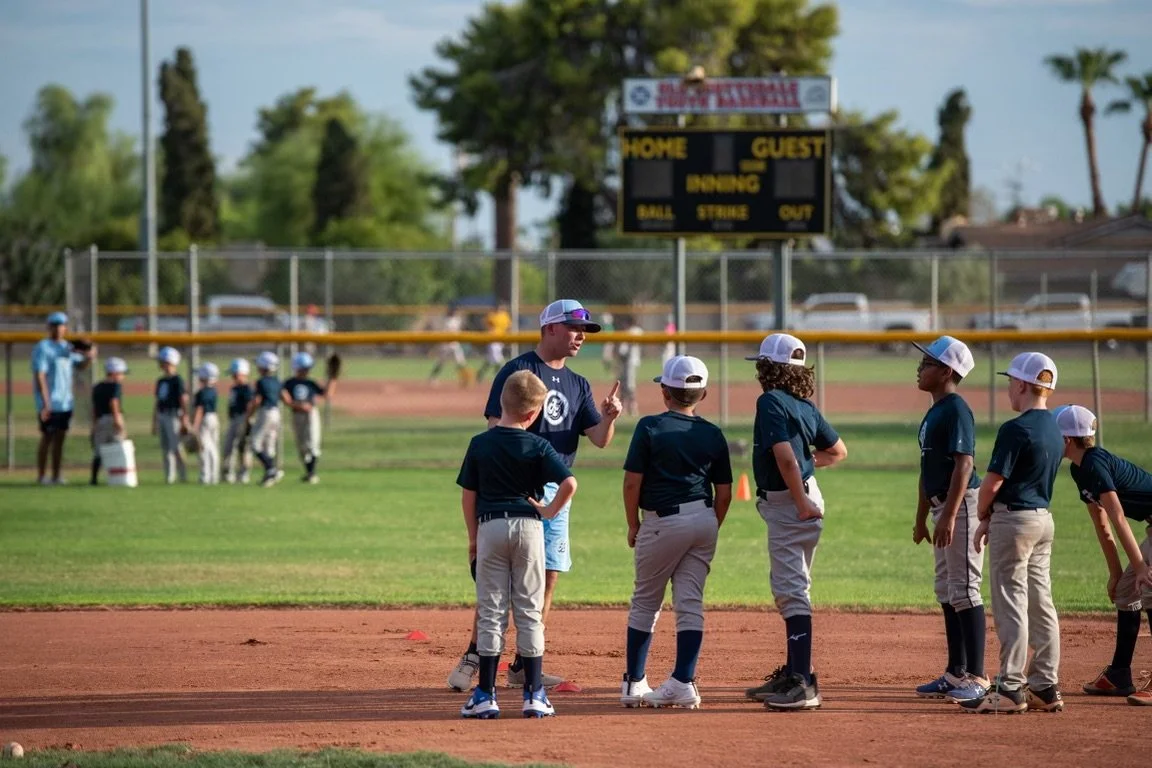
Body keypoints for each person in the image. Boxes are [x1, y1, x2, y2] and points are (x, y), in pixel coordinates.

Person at [447, 299, 622, 692]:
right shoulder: (518, 370)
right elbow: (497, 427)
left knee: (547, 578)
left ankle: (525, 665)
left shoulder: (578, 383)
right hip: (516, 487)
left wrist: (609, 417)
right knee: (500, 579)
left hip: (556, 490)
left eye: (585, 331)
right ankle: (474, 656)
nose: (580, 336)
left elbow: (597, 439)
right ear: (549, 329)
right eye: (574, 328)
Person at [457, 370, 578, 719]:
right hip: (529, 528)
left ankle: (485, 695)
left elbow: (469, 495)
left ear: (503, 404)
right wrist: (548, 511)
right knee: (529, 611)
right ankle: (535, 694)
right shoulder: (538, 445)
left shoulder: (480, 442)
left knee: (492, 612)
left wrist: (472, 539)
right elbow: (569, 482)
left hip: (490, 526)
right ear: (533, 413)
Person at [620, 355, 733, 709]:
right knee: (690, 603)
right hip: (704, 519)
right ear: (703, 394)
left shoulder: (650, 427)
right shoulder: (713, 433)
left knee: (646, 601)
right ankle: (683, 680)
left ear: (666, 391)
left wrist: (633, 524)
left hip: (662, 521)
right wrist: (710, 523)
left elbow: (631, 483)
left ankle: (635, 682)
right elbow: (725, 491)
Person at [742, 333, 847, 711]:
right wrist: (806, 471)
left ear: (769, 369)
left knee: (791, 590)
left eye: (761, 365)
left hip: (793, 502)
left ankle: (803, 683)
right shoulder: (804, 405)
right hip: (802, 495)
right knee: (793, 585)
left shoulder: (770, 401)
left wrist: (800, 499)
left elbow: (786, 456)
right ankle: (796, 670)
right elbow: (837, 451)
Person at [963, 352, 1064, 714]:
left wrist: (983, 513)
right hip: (1043, 520)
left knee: (1011, 604)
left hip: (1015, 522)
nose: (1009, 387)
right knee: (1041, 603)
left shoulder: (1015, 428)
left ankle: (1009, 687)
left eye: (1011, 381)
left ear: (1022, 384)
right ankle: (1045, 686)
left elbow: (992, 484)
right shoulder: (1054, 427)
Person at [1054, 405, 1152, 706]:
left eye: (1053, 435)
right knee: (1125, 592)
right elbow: (1102, 523)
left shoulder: (1094, 463)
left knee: (1147, 589)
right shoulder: (1079, 469)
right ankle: (1120, 675)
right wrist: (1115, 573)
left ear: (1068, 440)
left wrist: (1140, 568)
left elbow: (1118, 517)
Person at [910, 337, 989, 703]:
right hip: (943, 507)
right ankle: (955, 673)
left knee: (966, 589)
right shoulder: (935, 409)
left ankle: (978, 676)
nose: (919, 367)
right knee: (947, 589)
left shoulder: (956, 409)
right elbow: (928, 471)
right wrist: (921, 517)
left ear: (946, 371)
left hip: (963, 506)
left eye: (927, 363)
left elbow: (965, 463)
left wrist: (951, 515)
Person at [32, 311, 95, 485]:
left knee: (60, 438)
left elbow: (80, 365)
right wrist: (45, 403)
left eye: (62, 325)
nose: (59, 329)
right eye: (55, 325)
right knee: (47, 437)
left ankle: (56, 475)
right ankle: (41, 475)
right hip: (50, 401)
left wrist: (89, 358)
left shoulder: (67, 347)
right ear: (49, 327)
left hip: (65, 401)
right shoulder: (43, 347)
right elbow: (40, 375)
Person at [281, 351, 336, 484]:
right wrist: (297, 405)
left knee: (312, 442)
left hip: (311, 414)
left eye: (308, 368)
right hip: (297, 415)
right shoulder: (290, 382)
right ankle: (308, 472)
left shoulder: (310, 383)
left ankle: (312, 473)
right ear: (297, 368)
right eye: (304, 368)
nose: (306, 371)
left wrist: (332, 378)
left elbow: (327, 394)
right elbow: (284, 397)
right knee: (302, 446)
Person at [247, 350, 285, 488]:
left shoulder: (261, 382)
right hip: (277, 412)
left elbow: (257, 400)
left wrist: (249, 415)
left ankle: (271, 468)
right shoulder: (277, 381)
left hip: (266, 412)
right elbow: (285, 398)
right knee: (269, 444)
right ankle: (269, 476)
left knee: (255, 443)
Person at [152, 346, 189, 485]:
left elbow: (183, 400)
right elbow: (157, 402)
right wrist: (154, 421)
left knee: (177, 447)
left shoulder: (177, 380)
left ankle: (182, 475)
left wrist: (184, 418)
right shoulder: (161, 381)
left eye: (162, 361)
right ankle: (169, 476)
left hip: (174, 415)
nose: (160, 364)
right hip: (162, 415)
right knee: (166, 448)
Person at [90, 356, 128, 486]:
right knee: (118, 447)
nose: (123, 377)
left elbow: (94, 408)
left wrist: (94, 424)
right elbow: (114, 402)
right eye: (121, 373)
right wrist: (117, 420)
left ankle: (94, 479)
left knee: (98, 451)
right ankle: (119, 477)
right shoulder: (115, 386)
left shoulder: (98, 387)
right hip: (112, 419)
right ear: (115, 373)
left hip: (100, 420)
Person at [223, 358, 254, 485]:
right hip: (234, 418)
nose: (233, 377)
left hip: (243, 418)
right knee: (229, 446)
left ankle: (244, 474)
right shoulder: (234, 388)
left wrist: (247, 421)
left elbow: (250, 406)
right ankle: (228, 473)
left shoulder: (247, 389)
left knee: (244, 447)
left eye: (235, 374)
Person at [191, 362, 221, 485]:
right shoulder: (213, 390)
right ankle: (214, 476)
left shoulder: (201, 392)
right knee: (213, 447)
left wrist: (195, 426)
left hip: (205, 419)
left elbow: (199, 409)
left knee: (204, 448)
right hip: (214, 417)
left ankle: (205, 476)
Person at [428, 304, 471, 386]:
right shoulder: (445, 319)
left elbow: (459, 331)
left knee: (461, 361)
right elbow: (441, 331)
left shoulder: (457, 319)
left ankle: (464, 379)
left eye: (455, 311)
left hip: (454, 344)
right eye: (453, 310)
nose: (454, 312)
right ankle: (433, 377)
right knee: (441, 362)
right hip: (445, 344)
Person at [476, 302, 512, 382]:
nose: (498, 308)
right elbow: (484, 324)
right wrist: (488, 330)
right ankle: (501, 375)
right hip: (492, 339)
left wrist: (507, 339)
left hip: (501, 339)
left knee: (490, 359)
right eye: (497, 306)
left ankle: (480, 373)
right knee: (497, 358)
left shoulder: (505, 315)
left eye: (500, 307)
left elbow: (509, 327)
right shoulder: (491, 315)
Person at [615, 318, 644, 417]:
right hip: (628, 362)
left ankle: (632, 407)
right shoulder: (636, 331)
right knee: (624, 384)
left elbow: (622, 351)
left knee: (628, 385)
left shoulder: (631, 332)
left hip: (629, 362)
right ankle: (627, 407)